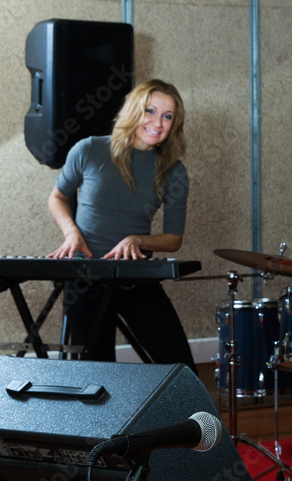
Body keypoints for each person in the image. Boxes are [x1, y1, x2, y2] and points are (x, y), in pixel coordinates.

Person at [47, 78, 197, 374]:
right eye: (150, 111)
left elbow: (173, 239)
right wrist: (71, 233)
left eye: (168, 116)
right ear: (133, 110)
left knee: (182, 369)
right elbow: (58, 197)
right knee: (99, 375)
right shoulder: (89, 149)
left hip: (135, 276)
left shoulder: (174, 171)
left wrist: (138, 240)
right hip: (86, 274)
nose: (158, 123)